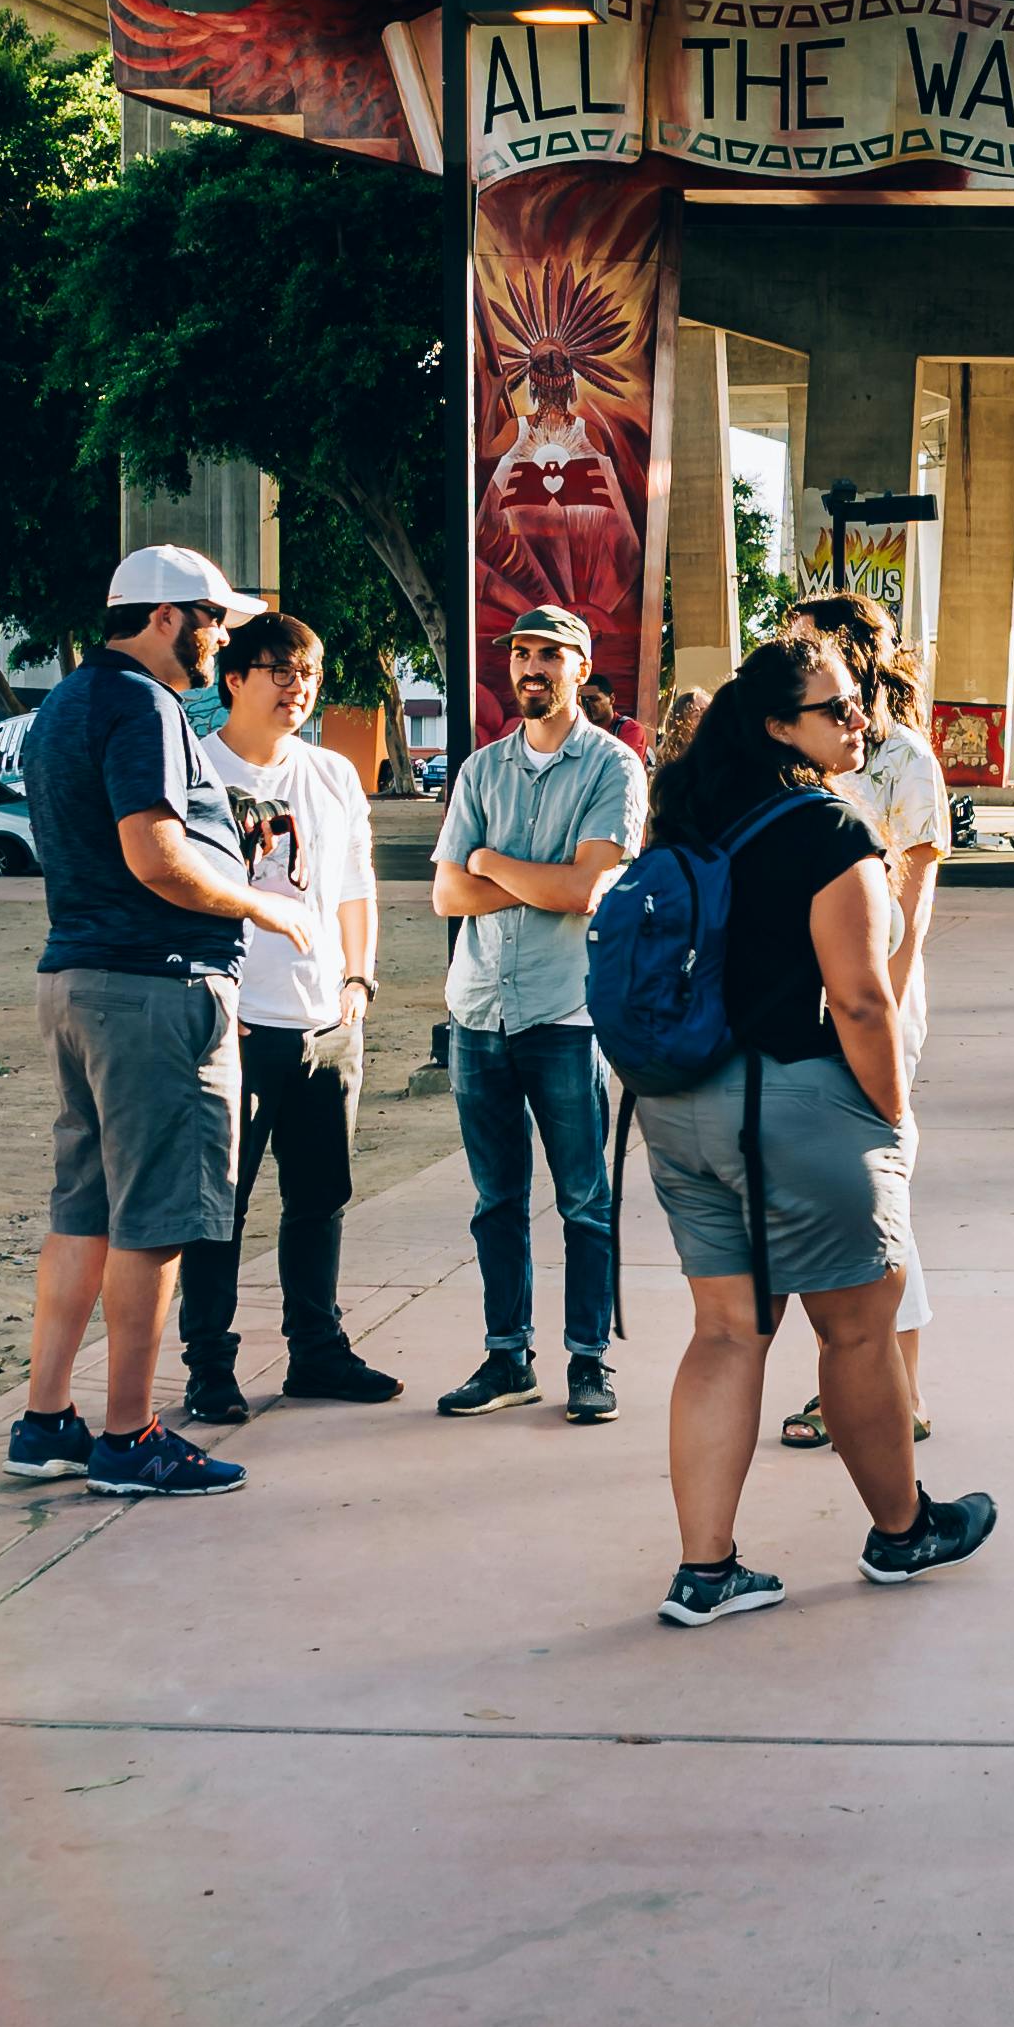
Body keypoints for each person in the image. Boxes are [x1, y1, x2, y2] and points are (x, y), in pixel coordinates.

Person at [624, 638, 997, 1623]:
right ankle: (903, 1532)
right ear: (778, 726)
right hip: (790, 1106)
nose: (859, 719)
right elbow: (863, 1001)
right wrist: (892, 1117)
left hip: (682, 1108)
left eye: (857, 699)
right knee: (858, 1329)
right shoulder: (826, 829)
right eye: (836, 708)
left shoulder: (689, 815)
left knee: (724, 1333)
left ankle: (705, 1572)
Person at [10, 542, 256, 1500]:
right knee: (153, 1219)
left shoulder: (66, 702)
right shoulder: (145, 704)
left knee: (85, 1210)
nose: (221, 638)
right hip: (157, 985)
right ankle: (131, 1438)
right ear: (166, 616)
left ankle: (45, 1422)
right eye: (215, 621)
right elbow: (155, 857)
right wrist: (260, 904)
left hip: (78, 977)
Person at [177, 609, 397, 1422]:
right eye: (279, 671)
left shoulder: (333, 774)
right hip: (234, 1023)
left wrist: (357, 984)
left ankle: (317, 1350)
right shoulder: (196, 771)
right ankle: (210, 1366)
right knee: (220, 1204)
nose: (296, 687)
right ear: (234, 679)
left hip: (325, 1023)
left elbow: (355, 890)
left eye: (307, 673)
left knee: (320, 1195)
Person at [431, 603, 646, 1424]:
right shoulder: (481, 770)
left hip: (564, 1012)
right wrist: (525, 878)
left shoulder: (613, 767)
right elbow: (447, 895)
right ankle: (506, 1357)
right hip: (479, 1010)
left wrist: (488, 859)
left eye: (549, 655)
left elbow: (584, 889)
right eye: (521, 653)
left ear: (580, 668)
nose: (530, 667)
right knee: (496, 1201)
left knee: (584, 1200)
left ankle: (589, 1361)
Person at [779, 637, 950, 1459]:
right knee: (851, 1204)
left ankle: (886, 1389)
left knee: (874, 1197)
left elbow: (913, 901)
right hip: (805, 1015)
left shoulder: (902, 758)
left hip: (869, 1006)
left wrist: (881, 1011)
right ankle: (879, 1386)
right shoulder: (795, 771)